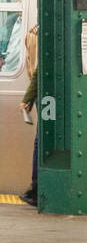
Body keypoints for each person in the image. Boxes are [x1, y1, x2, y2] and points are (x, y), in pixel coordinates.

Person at [18, 24, 38, 207]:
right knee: (42, 142)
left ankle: (36, 188)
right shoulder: (45, 34)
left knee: (40, 142)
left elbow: (30, 66)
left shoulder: (31, 33)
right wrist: (29, 98)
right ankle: (37, 189)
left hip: (39, 94)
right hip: (45, 93)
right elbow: (40, 71)